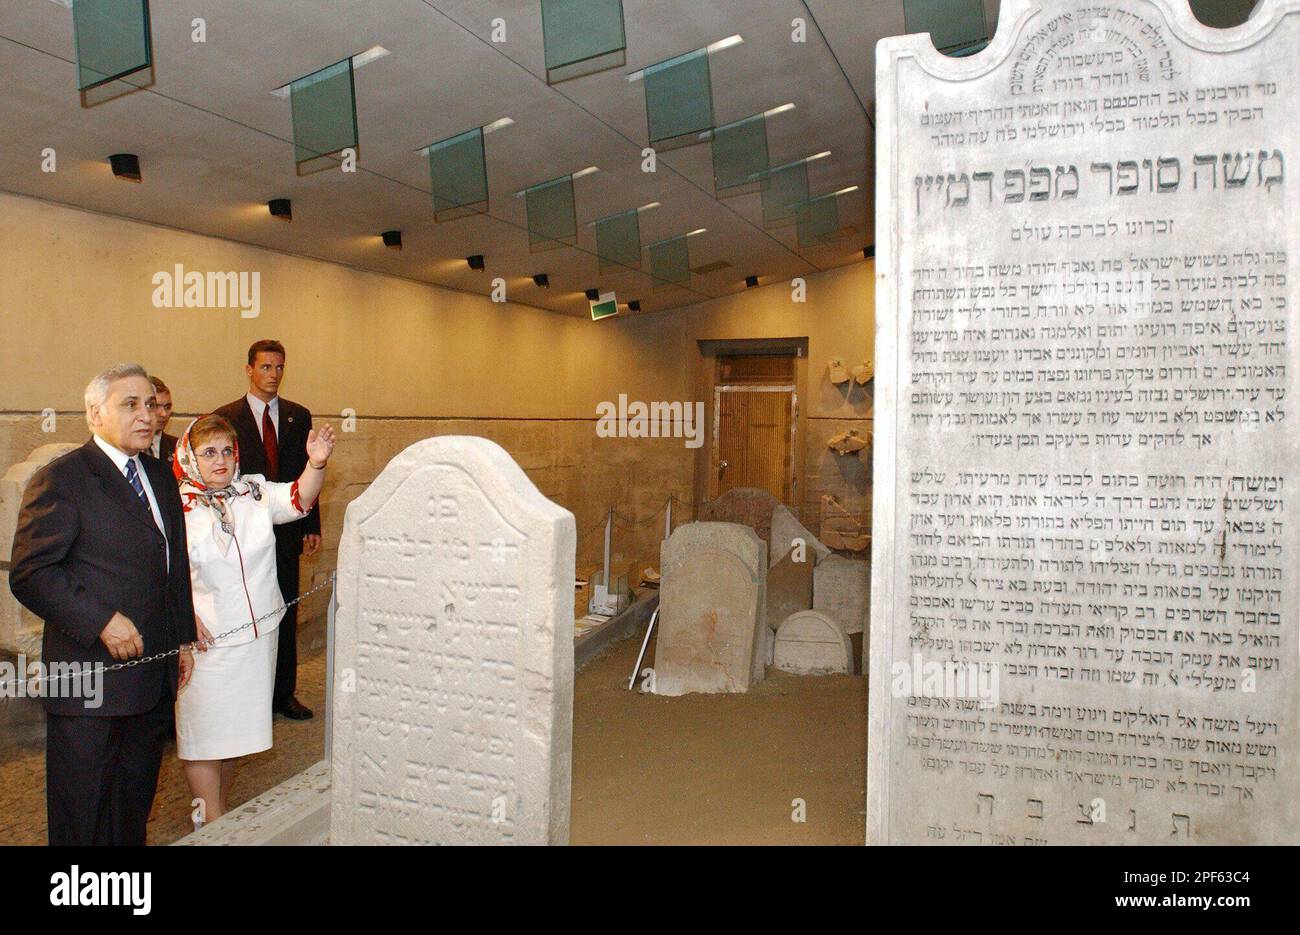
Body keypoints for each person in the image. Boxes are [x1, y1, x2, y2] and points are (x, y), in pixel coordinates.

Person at [9, 363, 196, 846]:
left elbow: (172, 565)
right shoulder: (63, 479)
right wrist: (101, 621)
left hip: (150, 677)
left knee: (131, 807)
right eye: (130, 404)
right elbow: (32, 573)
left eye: (151, 404)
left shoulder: (158, 474)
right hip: (89, 679)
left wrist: (183, 641)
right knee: (83, 811)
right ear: (95, 413)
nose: (147, 415)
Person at [172, 413, 334, 824]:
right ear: (190, 457)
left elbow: (299, 500)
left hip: (259, 636)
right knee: (204, 736)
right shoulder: (176, 508)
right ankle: (210, 819)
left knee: (232, 737)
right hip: (207, 642)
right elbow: (157, 573)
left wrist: (315, 463)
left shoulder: (254, 492)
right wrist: (182, 618)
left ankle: (216, 815)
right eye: (208, 453)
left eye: (227, 451)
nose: (221, 460)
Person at [215, 340, 320, 720]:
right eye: (265, 367)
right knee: (249, 613)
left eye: (278, 367)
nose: (273, 375)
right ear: (249, 370)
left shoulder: (298, 415)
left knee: (287, 610)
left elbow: (307, 473)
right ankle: (248, 694)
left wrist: (311, 523)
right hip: (244, 536)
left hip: (289, 533)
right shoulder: (226, 418)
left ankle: (283, 693)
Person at [148, 376, 179, 468]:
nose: (164, 414)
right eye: (156, 406)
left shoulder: (179, 448)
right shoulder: (124, 448)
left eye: (167, 407)